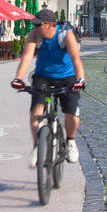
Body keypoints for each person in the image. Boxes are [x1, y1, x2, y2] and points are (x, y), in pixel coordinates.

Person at [11, 9, 85, 169]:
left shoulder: (65, 34)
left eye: (38, 25)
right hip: (43, 77)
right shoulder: (34, 35)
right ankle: (37, 147)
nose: (35, 27)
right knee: (36, 111)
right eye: (34, 24)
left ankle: (70, 141)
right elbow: (27, 56)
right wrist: (18, 78)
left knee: (71, 113)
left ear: (50, 25)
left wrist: (80, 79)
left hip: (67, 78)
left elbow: (75, 58)